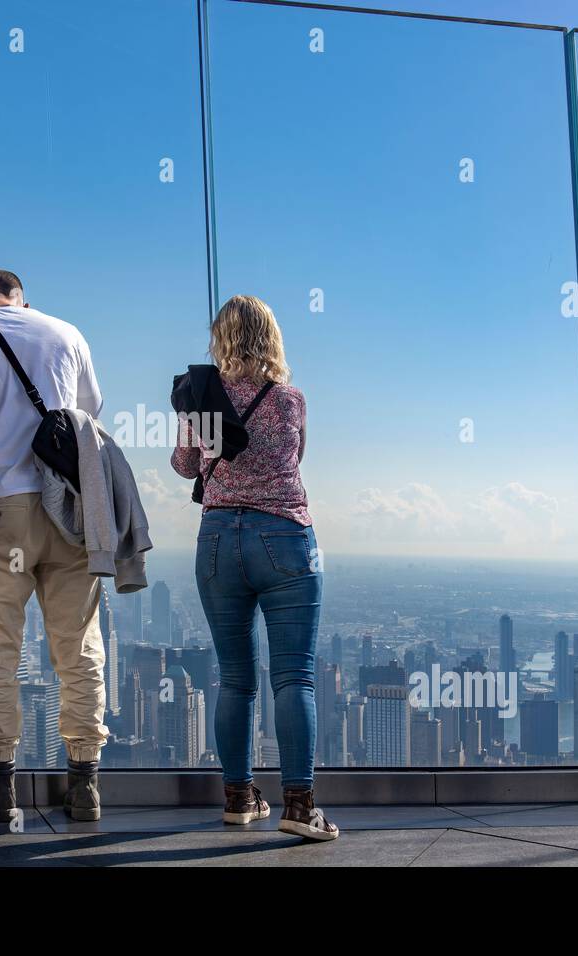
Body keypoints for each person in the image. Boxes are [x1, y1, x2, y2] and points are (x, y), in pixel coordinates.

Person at [0, 270, 108, 822]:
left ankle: (1, 786)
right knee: (77, 646)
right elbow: (89, 415)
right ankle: (84, 785)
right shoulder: (67, 334)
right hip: (67, 511)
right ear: (25, 300)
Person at [171, 295, 338, 841]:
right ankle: (299, 805)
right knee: (295, 676)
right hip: (285, 537)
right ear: (273, 338)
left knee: (235, 678)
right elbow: (294, 461)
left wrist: (196, 422)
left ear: (220, 340)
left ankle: (240, 798)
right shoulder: (291, 400)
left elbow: (185, 466)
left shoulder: (203, 401)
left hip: (219, 539)